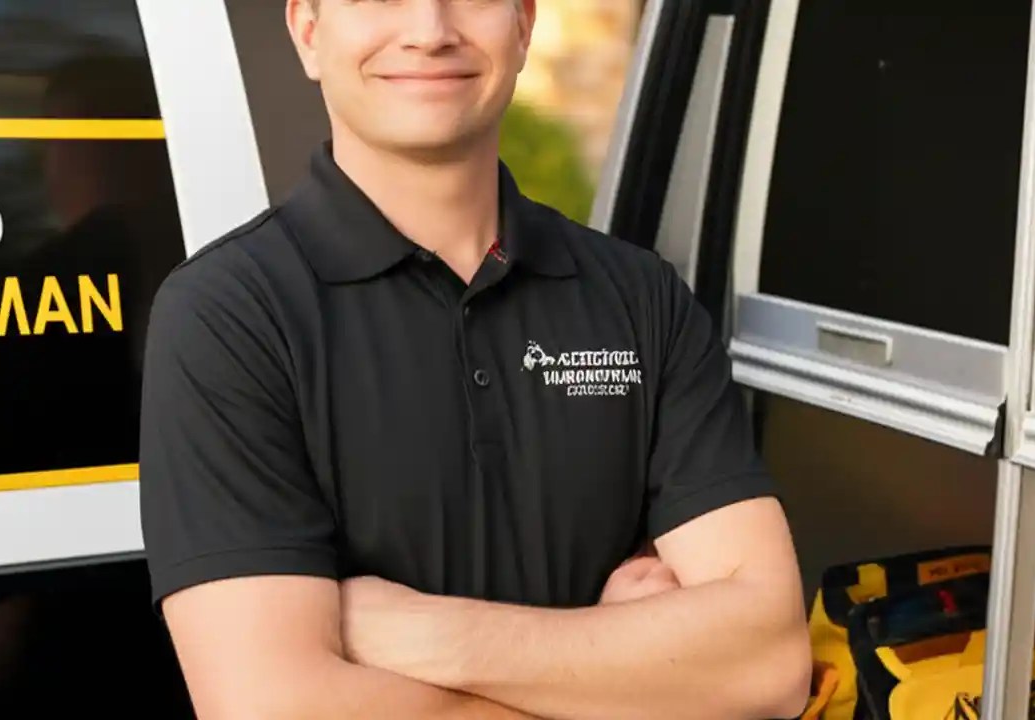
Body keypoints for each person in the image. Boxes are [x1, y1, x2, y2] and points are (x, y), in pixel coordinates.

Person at [138, 1, 812, 718]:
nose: (431, 30)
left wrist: (425, 635)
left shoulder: (643, 299)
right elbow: (272, 708)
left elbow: (769, 666)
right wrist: (636, 673)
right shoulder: (229, 317)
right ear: (308, 29)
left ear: (524, 25)